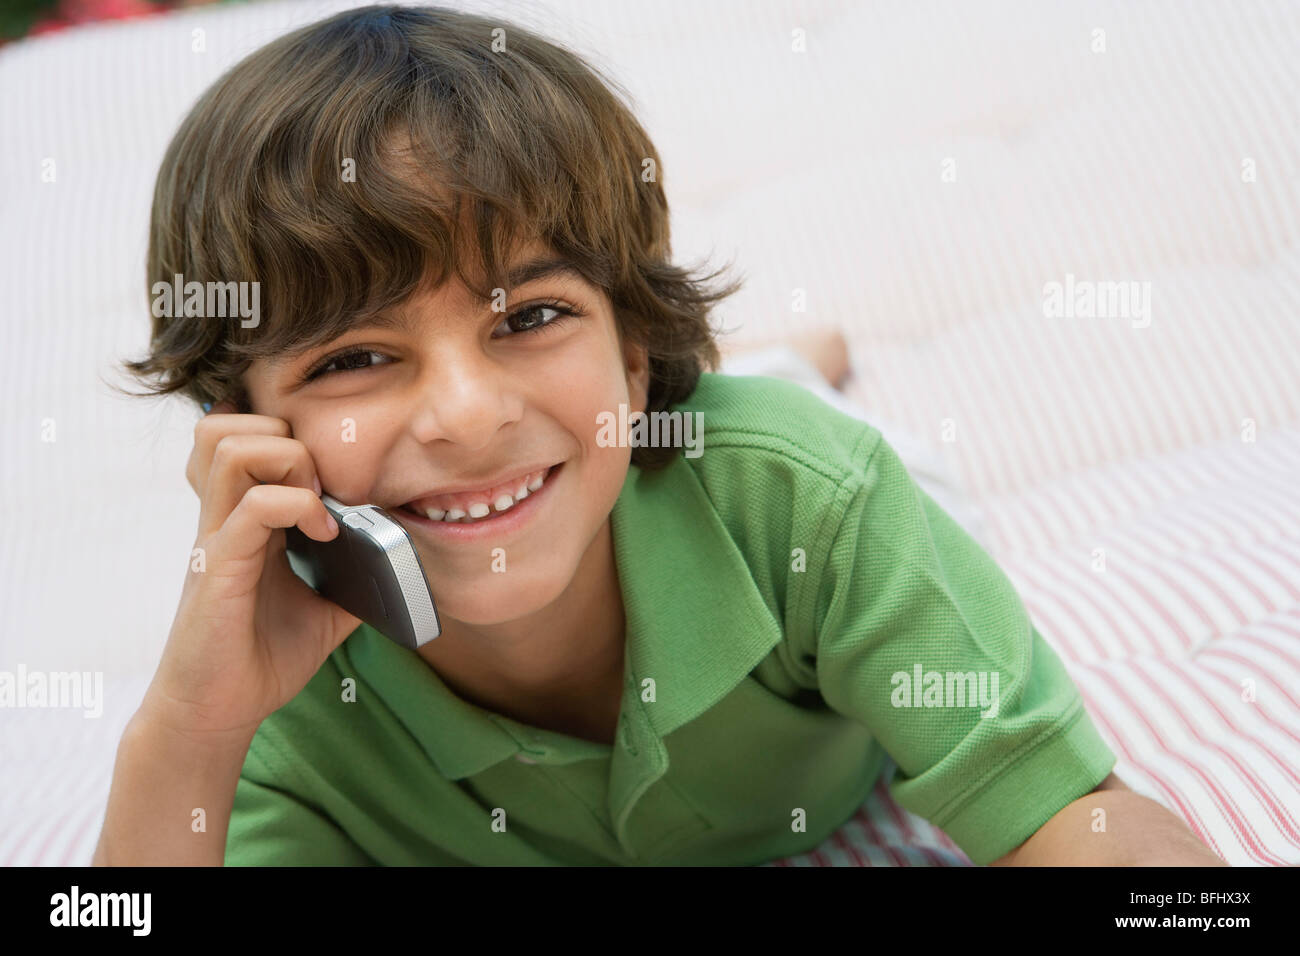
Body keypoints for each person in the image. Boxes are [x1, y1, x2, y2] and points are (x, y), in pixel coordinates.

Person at [95, 4, 1224, 867]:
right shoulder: (283, 704)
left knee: (776, 411)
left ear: (635, 348)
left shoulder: (809, 504)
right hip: (605, 445)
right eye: (351, 358)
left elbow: (1075, 814)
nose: (468, 412)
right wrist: (183, 729)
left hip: (747, 451)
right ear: (245, 428)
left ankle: (785, 356)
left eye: (531, 315)